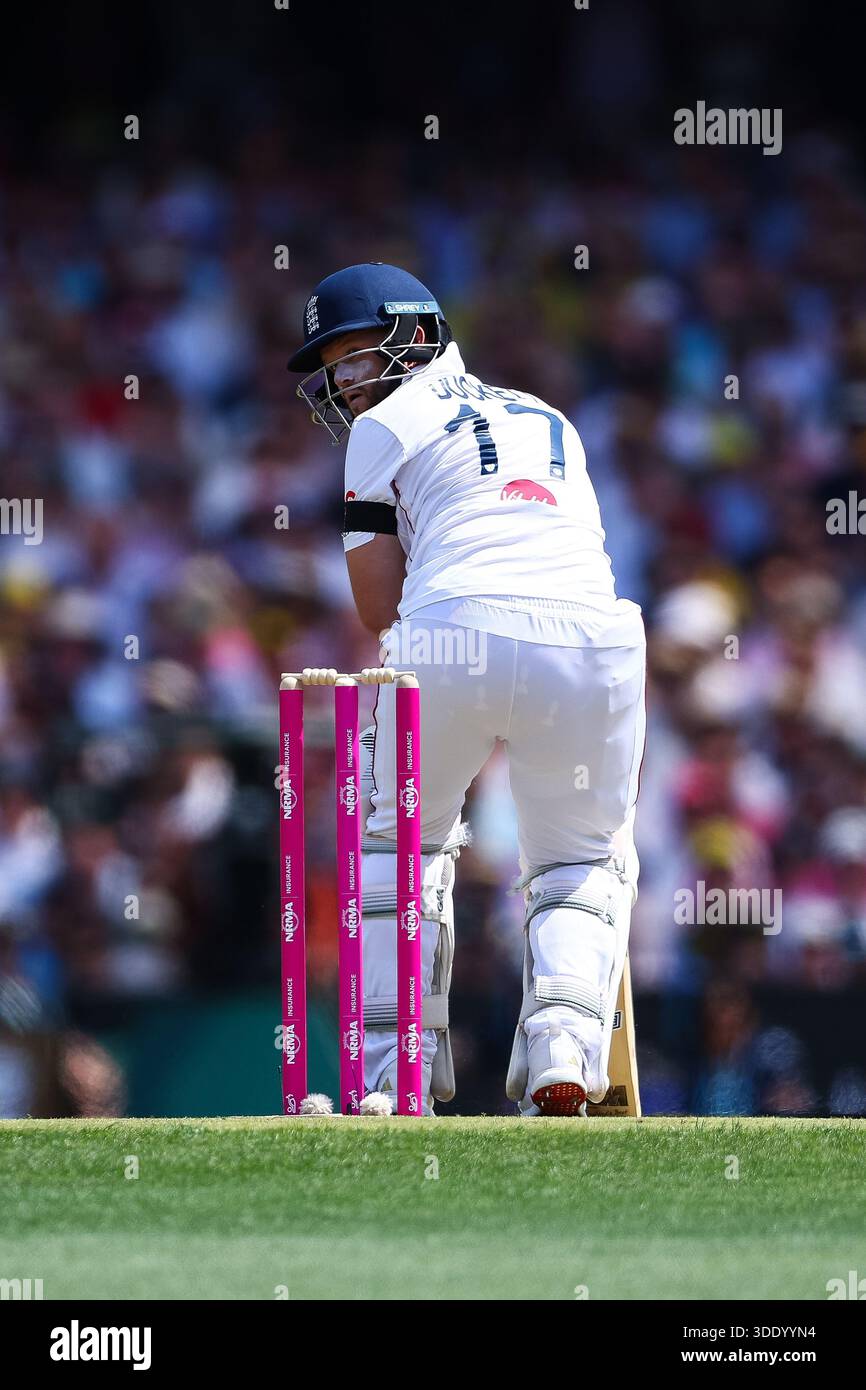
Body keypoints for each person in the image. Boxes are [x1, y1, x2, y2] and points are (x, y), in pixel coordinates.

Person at [287, 262, 646, 1116]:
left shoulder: (378, 432)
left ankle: (390, 1069)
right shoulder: (550, 414)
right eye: (333, 366)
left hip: (448, 636)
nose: (343, 383)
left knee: (400, 844)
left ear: (414, 335)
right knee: (580, 859)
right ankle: (565, 1052)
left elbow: (378, 605)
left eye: (354, 357)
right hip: (596, 641)